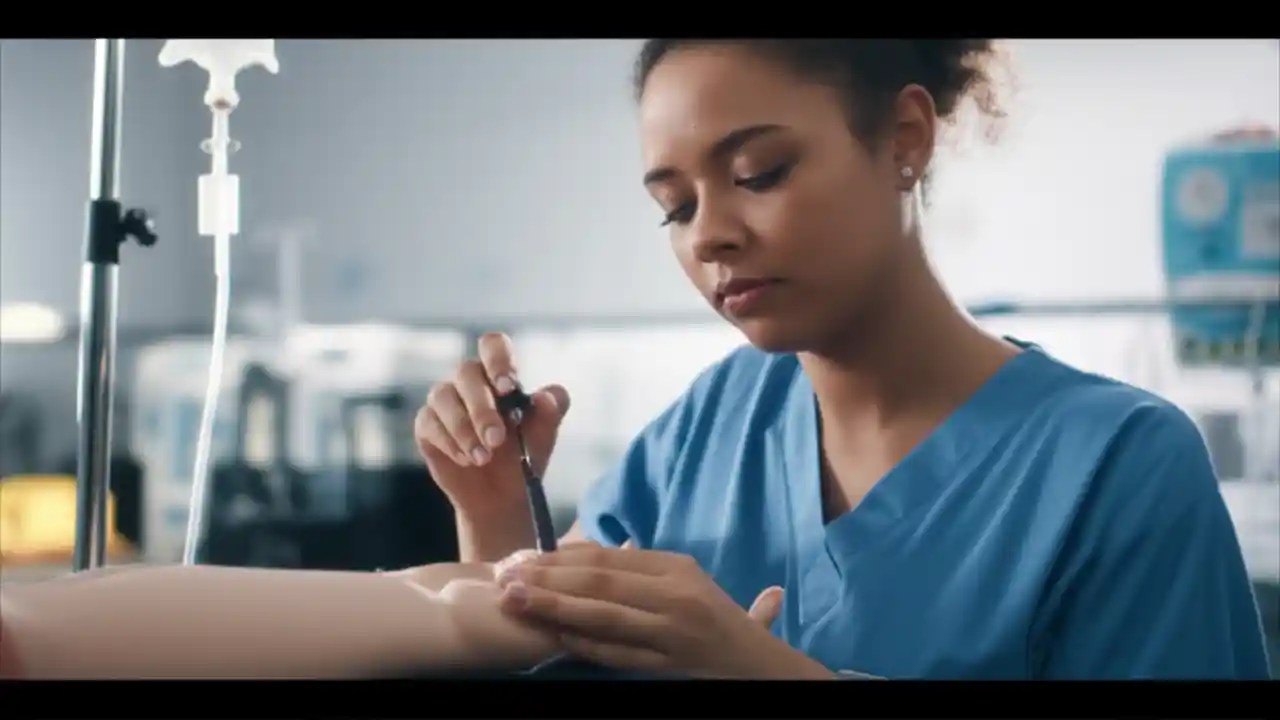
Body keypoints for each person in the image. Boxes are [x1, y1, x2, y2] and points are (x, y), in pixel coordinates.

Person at [414, 39, 1273, 679]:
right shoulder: (707, 430)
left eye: (759, 172)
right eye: (674, 208)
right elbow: (535, 638)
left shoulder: (1118, 465)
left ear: (905, 137)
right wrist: (494, 514)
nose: (709, 233)